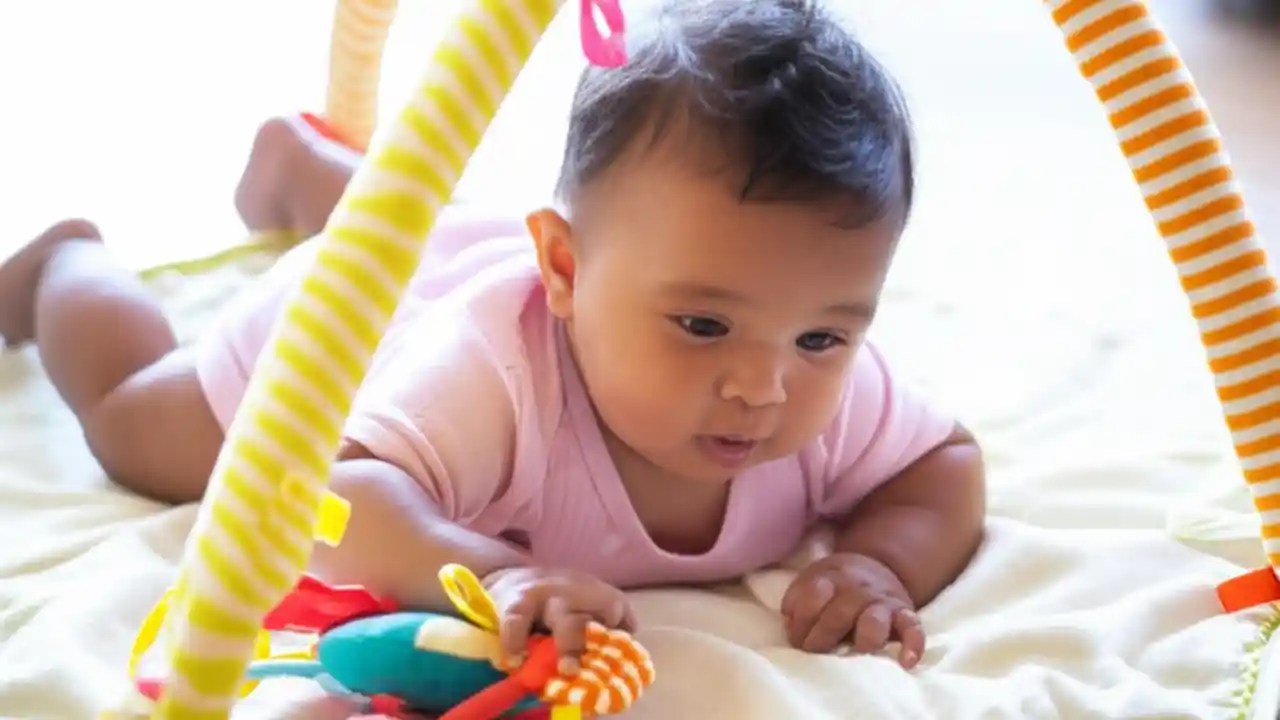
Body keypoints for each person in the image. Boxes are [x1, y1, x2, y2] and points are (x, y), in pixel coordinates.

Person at [0, 0, 984, 675]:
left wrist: (882, 560)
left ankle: (312, 173)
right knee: (140, 430)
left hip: (463, 248)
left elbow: (940, 462)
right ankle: (65, 265)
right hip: (366, 325)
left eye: (822, 337)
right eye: (700, 325)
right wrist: (484, 568)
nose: (763, 387)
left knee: (417, 222)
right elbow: (337, 496)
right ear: (562, 273)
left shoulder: (823, 384)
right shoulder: (491, 377)